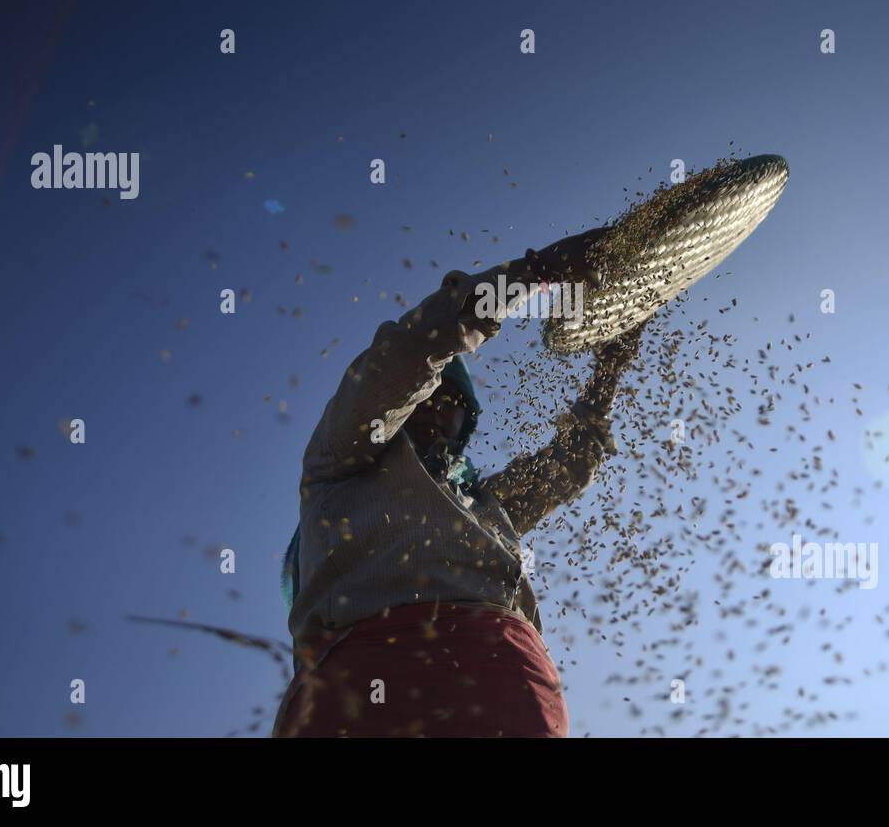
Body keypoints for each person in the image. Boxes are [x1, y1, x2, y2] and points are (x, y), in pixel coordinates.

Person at [272, 229, 643, 737]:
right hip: (360, 678)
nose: (438, 410)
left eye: (455, 406)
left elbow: (568, 465)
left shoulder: (481, 502)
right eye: (429, 395)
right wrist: (536, 273)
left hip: (502, 678)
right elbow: (413, 350)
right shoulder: (340, 458)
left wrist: (609, 373)